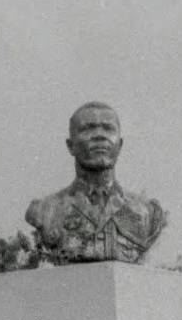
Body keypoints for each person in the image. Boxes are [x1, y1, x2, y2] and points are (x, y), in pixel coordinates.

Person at [25, 103, 169, 264]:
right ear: (70, 146)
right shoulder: (46, 210)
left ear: (120, 145)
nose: (99, 136)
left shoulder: (147, 212)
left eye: (108, 128)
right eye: (88, 128)